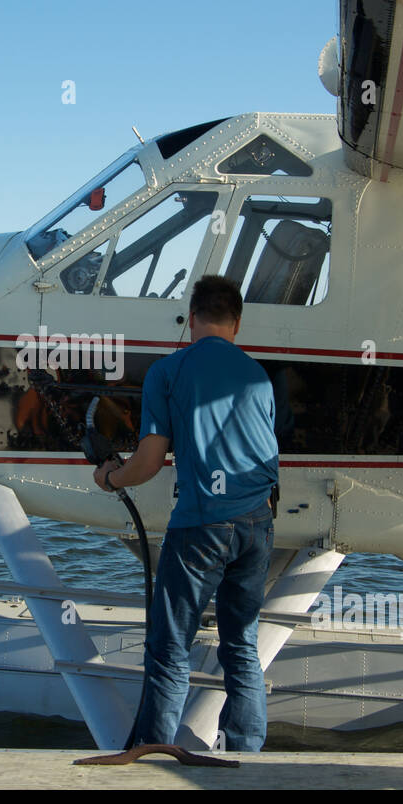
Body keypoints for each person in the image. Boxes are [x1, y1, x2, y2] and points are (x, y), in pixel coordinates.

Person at [92, 275, 280, 751]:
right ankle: (247, 755)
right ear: (237, 323)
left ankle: (154, 756)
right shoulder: (258, 375)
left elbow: (149, 462)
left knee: (170, 648)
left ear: (191, 318)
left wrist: (111, 477)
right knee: (241, 645)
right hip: (257, 524)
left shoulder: (168, 371)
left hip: (202, 526)